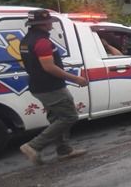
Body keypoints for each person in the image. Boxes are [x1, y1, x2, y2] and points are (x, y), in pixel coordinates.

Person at [18, 9, 89, 165]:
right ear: (43, 23)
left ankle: (64, 151)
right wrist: (75, 78)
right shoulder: (42, 42)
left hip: (38, 86)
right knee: (69, 116)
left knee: (57, 118)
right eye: (49, 21)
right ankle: (33, 146)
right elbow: (49, 67)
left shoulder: (26, 40)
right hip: (52, 87)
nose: (51, 24)